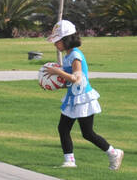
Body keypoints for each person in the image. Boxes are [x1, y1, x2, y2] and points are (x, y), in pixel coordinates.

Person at [43, 19, 123, 170]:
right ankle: (69, 160)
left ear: (66, 40)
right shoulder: (67, 56)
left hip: (83, 99)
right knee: (63, 128)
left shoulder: (75, 55)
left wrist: (57, 71)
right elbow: (70, 81)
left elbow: (77, 79)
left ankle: (114, 152)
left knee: (87, 133)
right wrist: (55, 84)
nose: (55, 44)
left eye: (57, 41)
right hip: (73, 98)